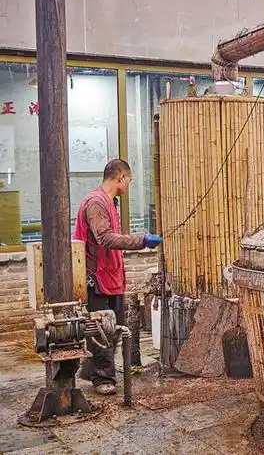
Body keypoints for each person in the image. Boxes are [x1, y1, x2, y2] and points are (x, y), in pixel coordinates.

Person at [74, 159, 163, 395]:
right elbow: (105, 238)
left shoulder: (109, 203)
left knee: (113, 329)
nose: (128, 185)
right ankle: (102, 378)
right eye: (129, 181)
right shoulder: (95, 203)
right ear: (120, 177)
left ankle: (93, 370)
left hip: (110, 276)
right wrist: (141, 240)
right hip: (96, 277)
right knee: (102, 328)